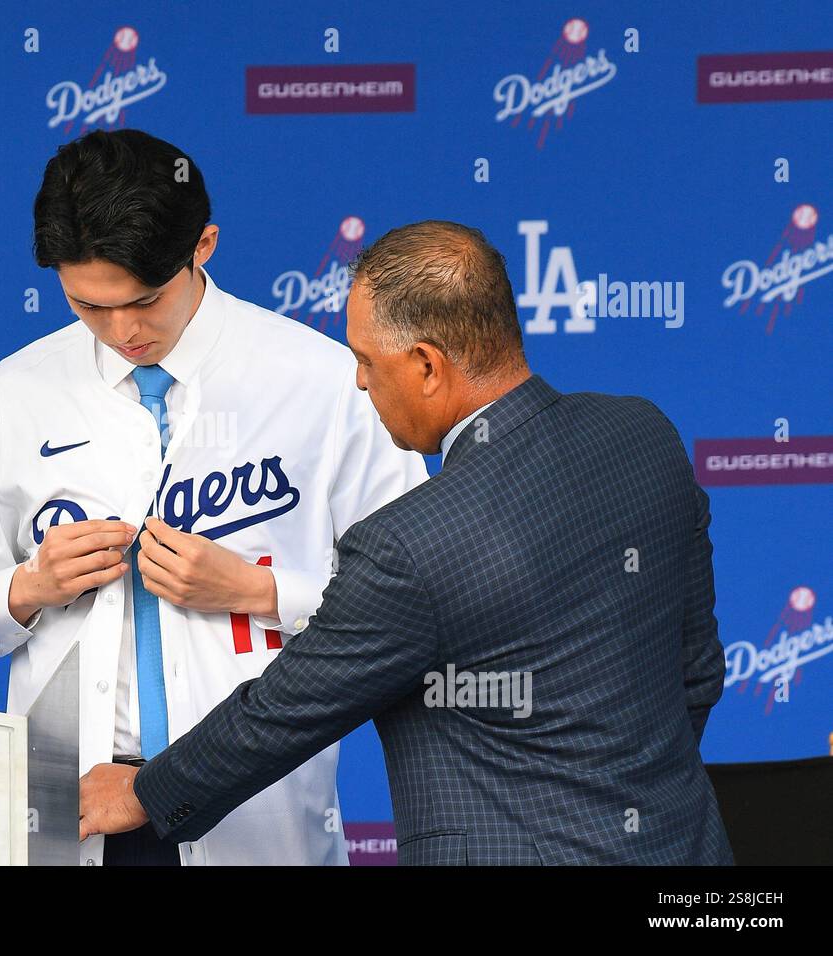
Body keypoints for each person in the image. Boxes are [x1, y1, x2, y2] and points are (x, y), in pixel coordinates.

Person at [79, 220, 733, 866]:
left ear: (425, 365)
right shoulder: (643, 435)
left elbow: (279, 716)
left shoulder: (412, 545)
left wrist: (144, 790)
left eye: (366, 360)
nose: (361, 383)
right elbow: (697, 672)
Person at [0, 130, 427, 866]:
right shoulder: (13, 394)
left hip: (253, 812)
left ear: (203, 245)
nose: (124, 331)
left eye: (145, 300)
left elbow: (415, 611)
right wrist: (28, 588)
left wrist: (261, 590)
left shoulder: (323, 382)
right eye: (89, 305)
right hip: (75, 815)